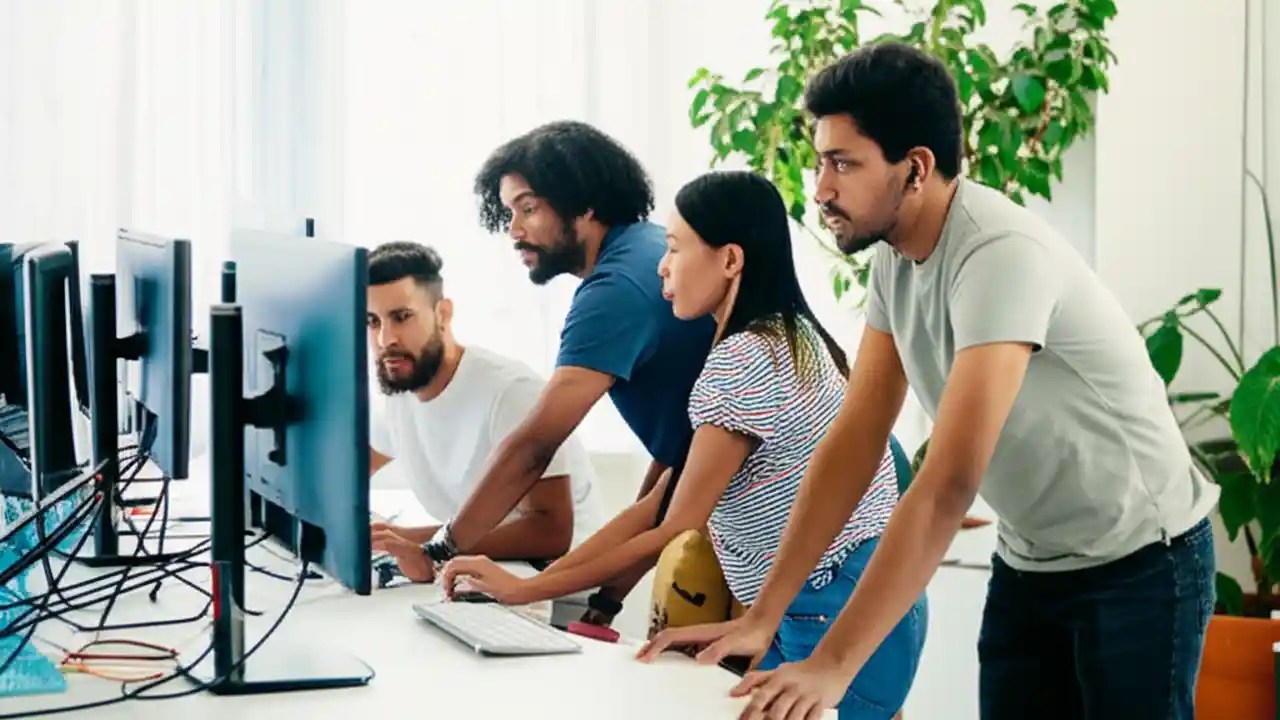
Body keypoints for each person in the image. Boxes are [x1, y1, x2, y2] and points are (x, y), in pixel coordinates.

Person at [642, 43, 1219, 720]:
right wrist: (764, 616)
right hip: (1034, 559)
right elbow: (856, 437)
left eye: (842, 163)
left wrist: (832, 664)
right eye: (821, 160)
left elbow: (947, 481)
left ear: (915, 168)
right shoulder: (897, 258)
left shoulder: (1000, 257)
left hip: (1141, 560)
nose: (820, 187)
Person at [443, 171, 926, 719]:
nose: (662, 266)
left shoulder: (741, 361)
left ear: (730, 260)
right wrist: (545, 588)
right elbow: (658, 506)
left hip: (831, 604)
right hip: (847, 598)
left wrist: (524, 591)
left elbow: (673, 524)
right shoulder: (789, 333)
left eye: (674, 248)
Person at [415, 121, 716, 624]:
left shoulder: (616, 289)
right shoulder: (645, 251)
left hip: (807, 516)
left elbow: (534, 445)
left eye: (529, 209)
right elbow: (679, 454)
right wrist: (605, 604)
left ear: (585, 204)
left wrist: (438, 552)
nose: (514, 230)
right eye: (509, 211)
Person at [365, 242, 605, 582]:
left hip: (557, 585)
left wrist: (410, 540)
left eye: (402, 317)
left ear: (442, 314)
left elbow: (551, 530)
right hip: (474, 566)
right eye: (372, 321)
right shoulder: (402, 386)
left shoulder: (509, 391)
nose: (385, 338)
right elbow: (351, 473)